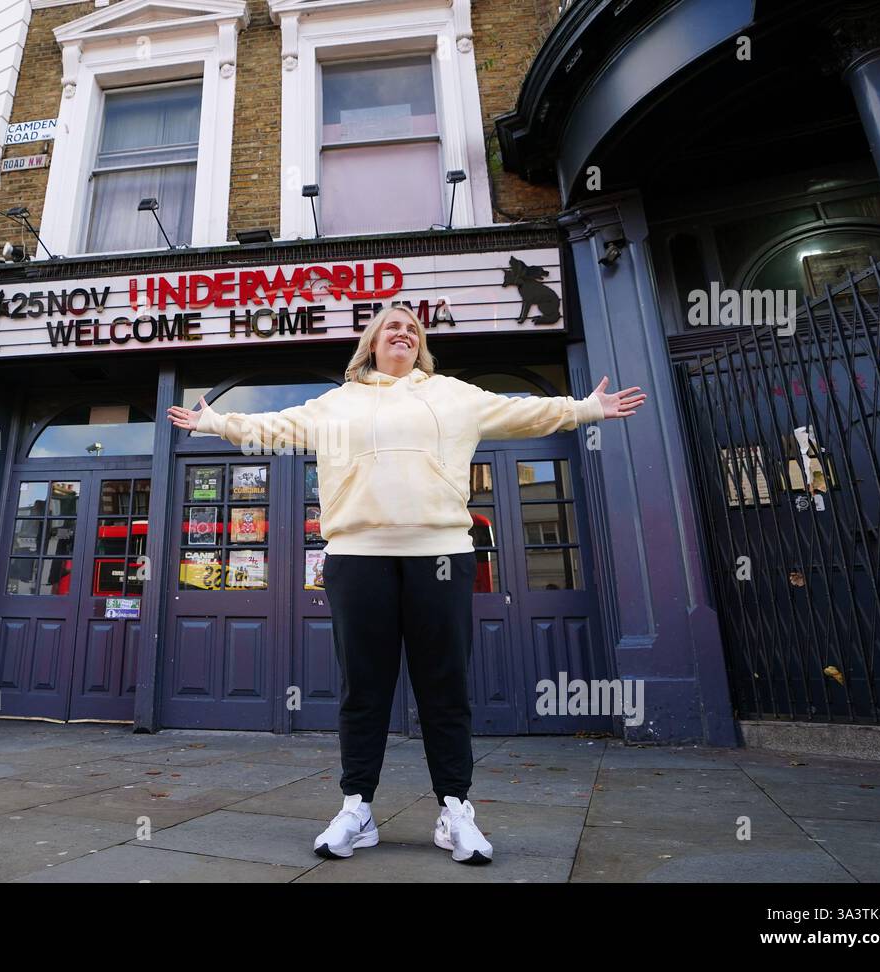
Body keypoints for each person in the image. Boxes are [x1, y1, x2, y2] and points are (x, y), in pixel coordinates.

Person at [165, 304, 645, 865]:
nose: (404, 333)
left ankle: (455, 810)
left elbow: (523, 412)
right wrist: (218, 421)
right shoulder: (337, 403)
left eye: (413, 329)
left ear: (421, 346)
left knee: (444, 686)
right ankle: (357, 808)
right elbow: (276, 426)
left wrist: (586, 409)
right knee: (362, 689)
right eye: (392, 326)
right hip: (357, 555)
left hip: (439, 554)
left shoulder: (453, 394)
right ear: (371, 343)